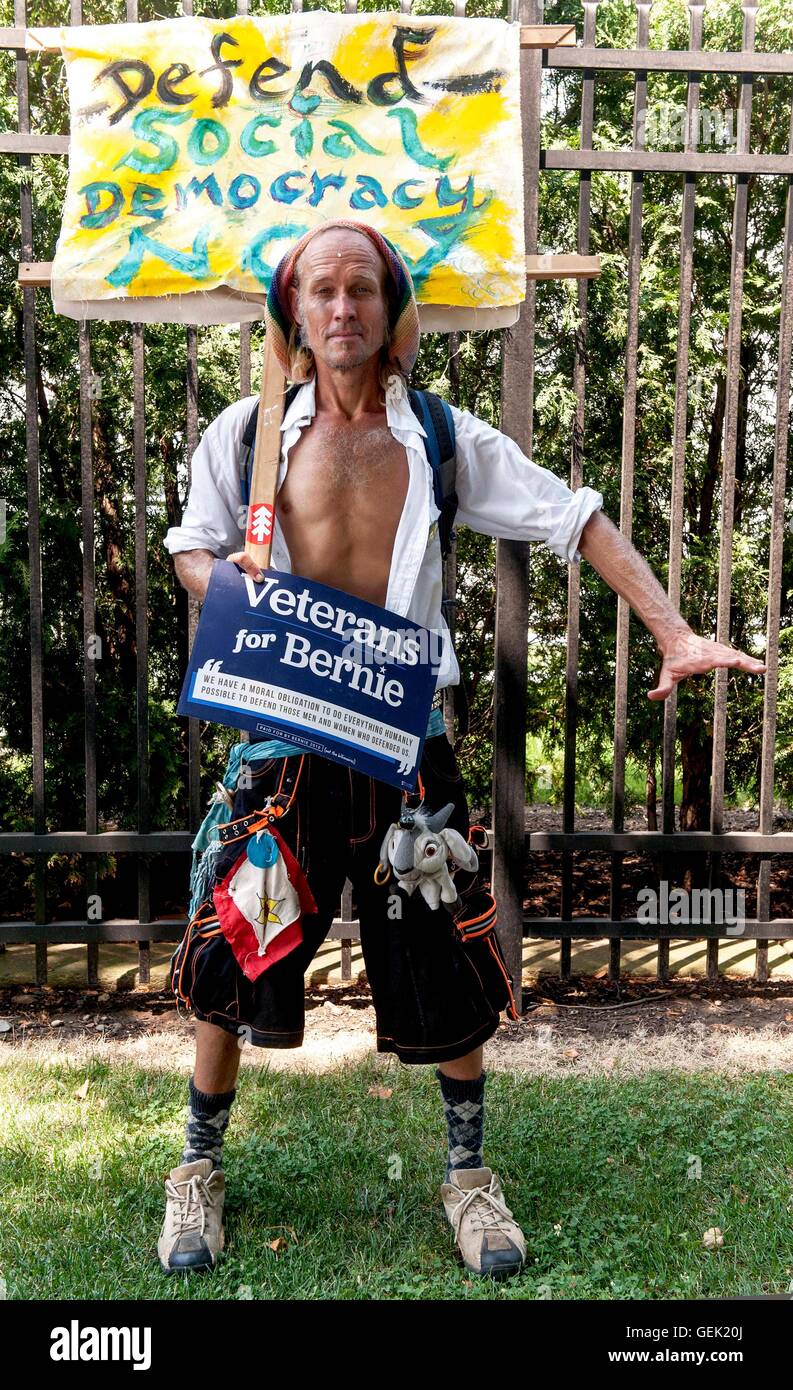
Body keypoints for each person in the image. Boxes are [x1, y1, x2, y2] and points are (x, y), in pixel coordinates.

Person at [159, 218, 766, 1281]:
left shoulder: (438, 438)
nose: (342, 308)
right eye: (322, 292)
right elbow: (190, 551)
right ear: (292, 313)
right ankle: (198, 1169)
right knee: (233, 947)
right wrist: (252, 600)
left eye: (362, 290)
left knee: (444, 957)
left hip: (408, 748)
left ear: (392, 313)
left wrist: (672, 629)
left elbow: (572, 516)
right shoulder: (245, 435)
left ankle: (469, 1177)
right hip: (278, 744)